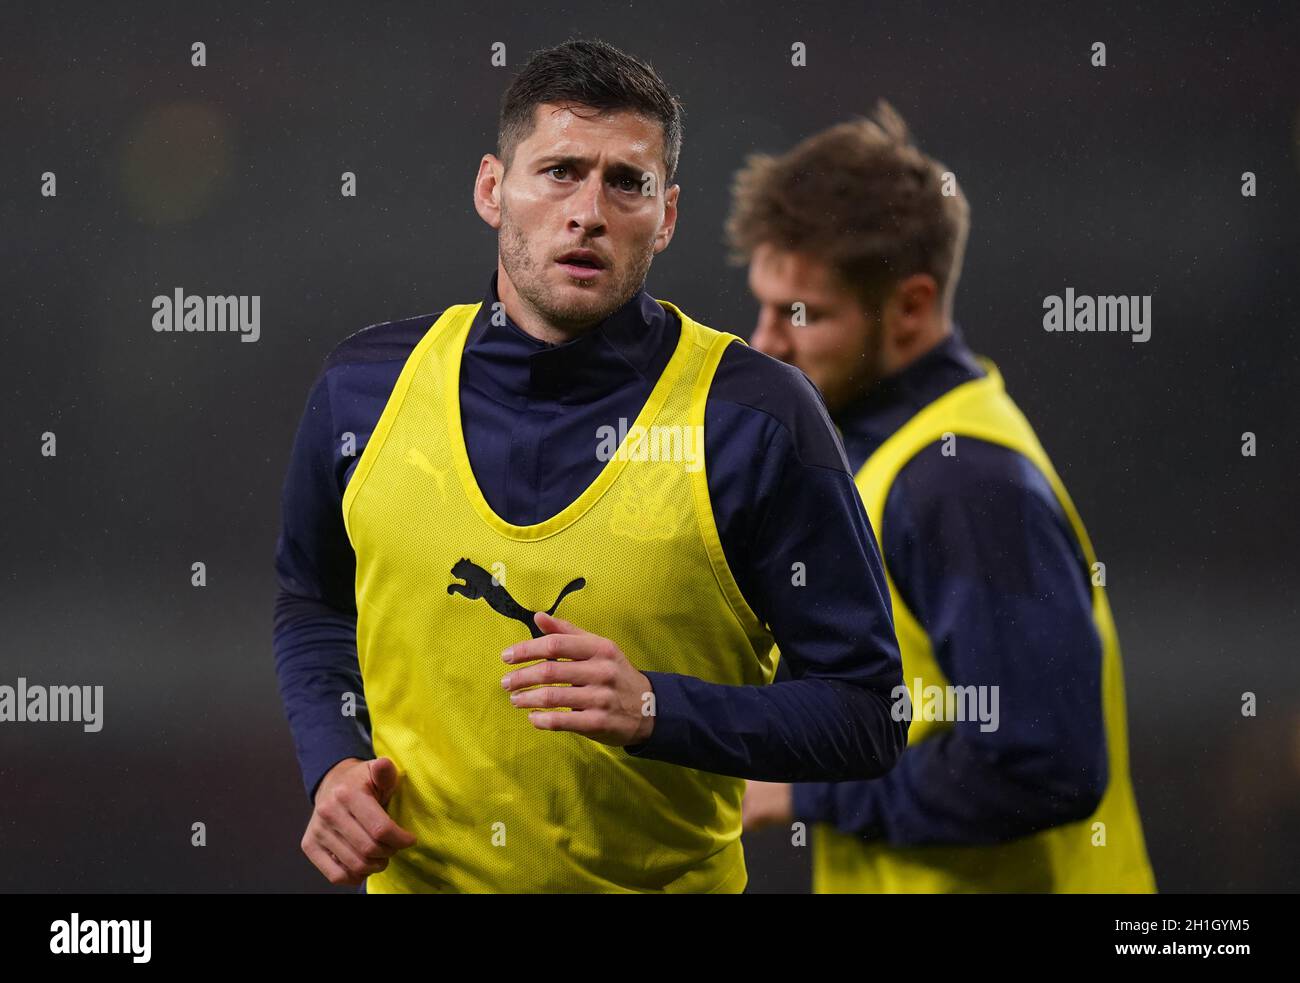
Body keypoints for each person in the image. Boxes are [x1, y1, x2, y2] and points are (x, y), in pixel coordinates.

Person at [272, 40, 906, 893]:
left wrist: (656, 707)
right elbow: (312, 600)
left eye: (627, 183)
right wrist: (333, 760)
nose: (589, 212)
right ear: (493, 190)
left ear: (669, 215)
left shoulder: (755, 418)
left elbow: (869, 713)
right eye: (561, 171)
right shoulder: (362, 388)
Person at [733, 103, 1156, 893]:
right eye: (763, 303)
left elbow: (1046, 764)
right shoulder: (887, 453)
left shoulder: (961, 485)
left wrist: (804, 789)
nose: (766, 340)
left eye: (805, 314)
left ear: (913, 307)